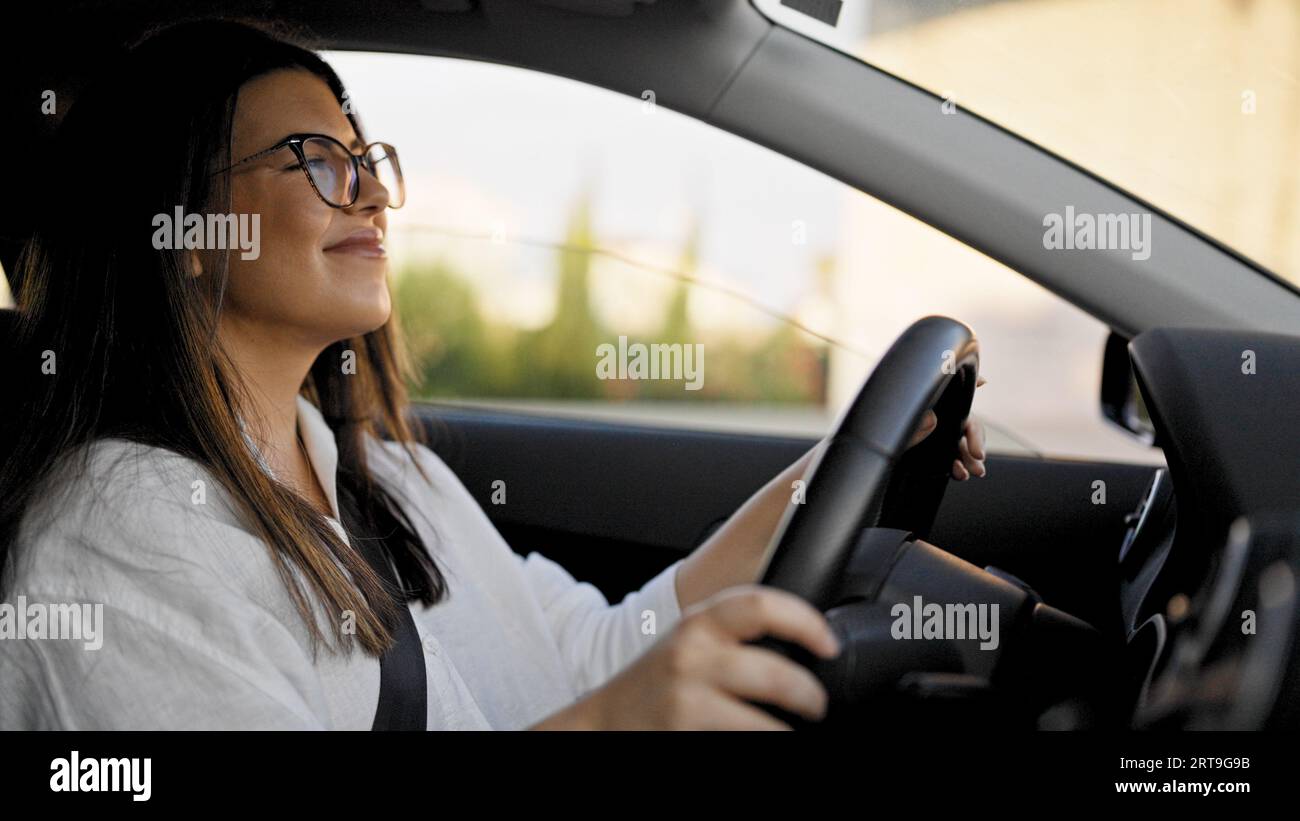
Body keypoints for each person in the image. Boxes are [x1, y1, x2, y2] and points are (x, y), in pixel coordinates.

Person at [0, 19, 985, 730]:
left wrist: (845, 462)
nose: (373, 194)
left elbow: (593, 652)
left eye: (369, 158)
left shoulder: (386, 479)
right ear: (184, 230)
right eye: (316, 159)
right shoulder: (115, 547)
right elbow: (603, 697)